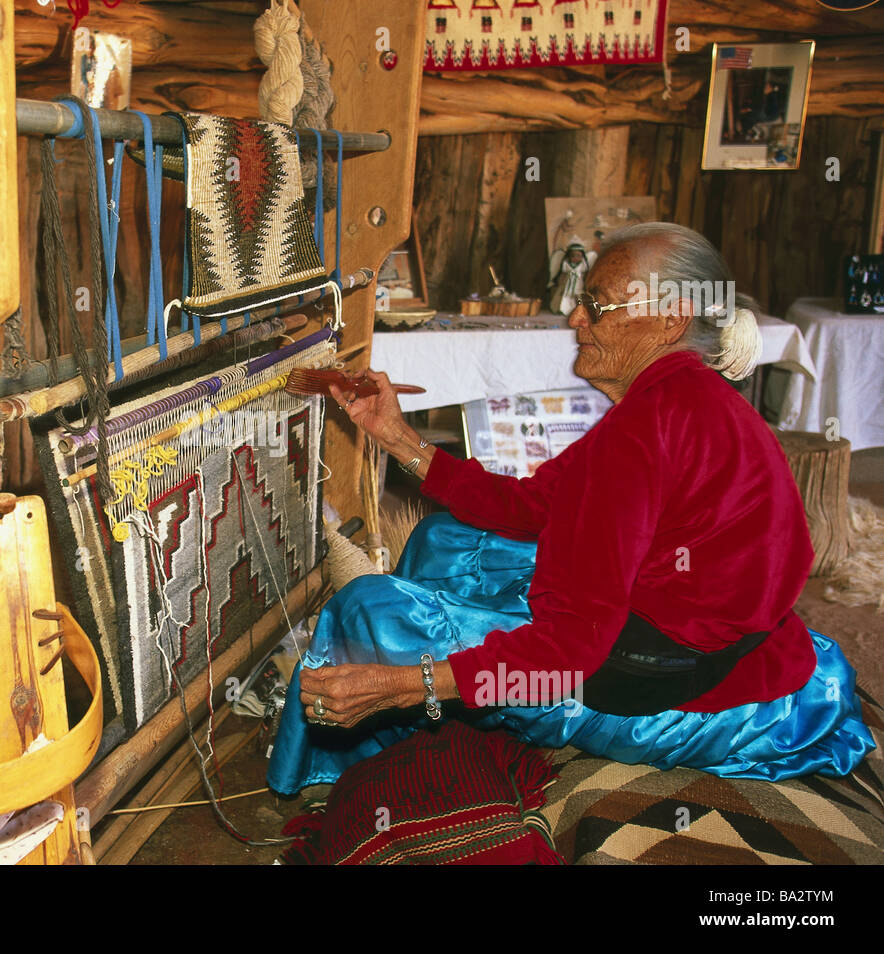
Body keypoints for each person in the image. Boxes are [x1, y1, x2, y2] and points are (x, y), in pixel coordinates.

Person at [267, 222, 875, 795]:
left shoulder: (644, 429)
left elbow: (568, 657)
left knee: (370, 610)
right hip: (713, 646)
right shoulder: (684, 399)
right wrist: (397, 436)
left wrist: (408, 684)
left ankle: (351, 775)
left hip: (673, 691)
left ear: (669, 319)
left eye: (600, 304)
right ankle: (435, 724)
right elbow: (532, 506)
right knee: (444, 542)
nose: (575, 317)